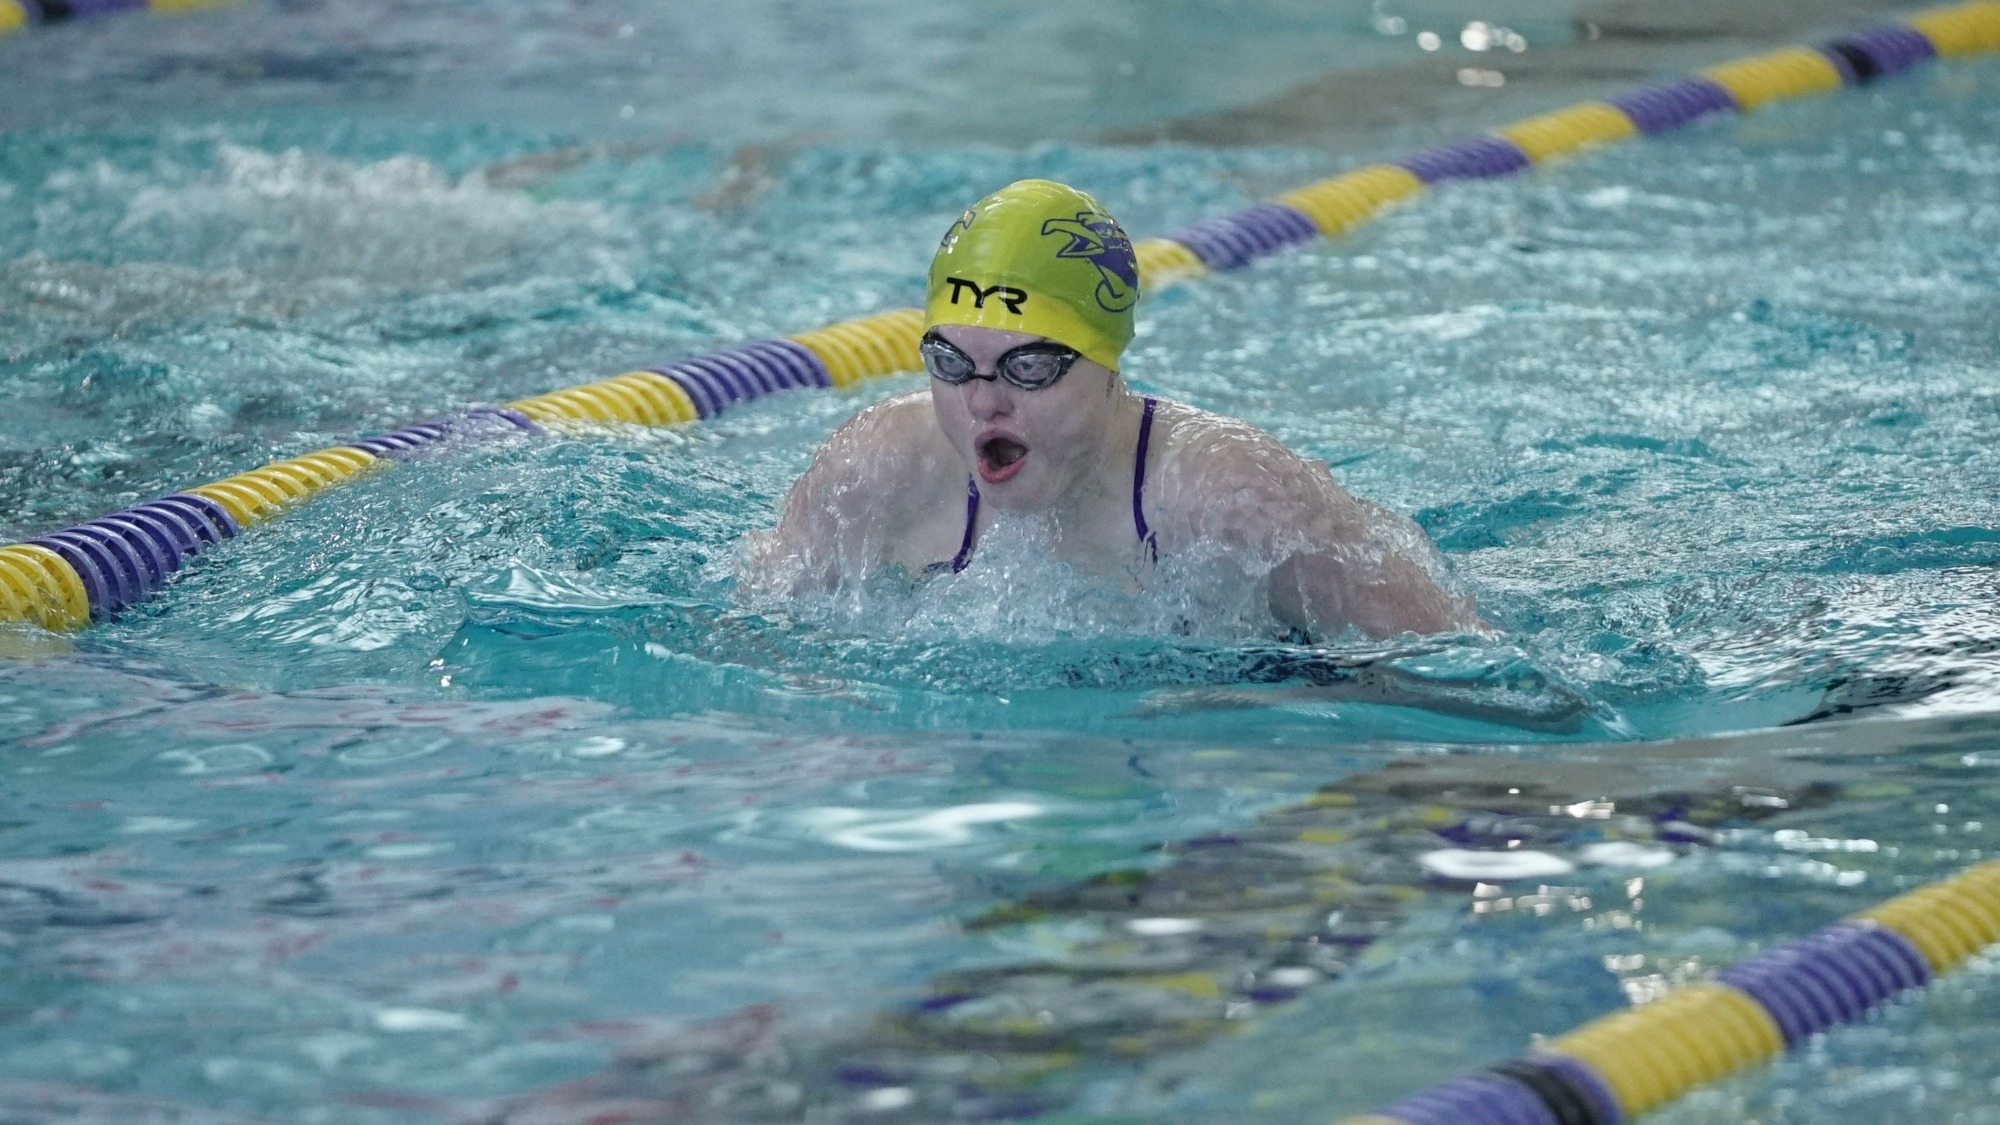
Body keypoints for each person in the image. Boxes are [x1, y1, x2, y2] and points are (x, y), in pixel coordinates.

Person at [741, 179, 1478, 640]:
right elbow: (749, 636)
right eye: (950, 362)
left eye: (1029, 365)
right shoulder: (876, 470)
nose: (983, 401)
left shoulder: (1231, 499)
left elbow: (1459, 663)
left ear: (1105, 363)